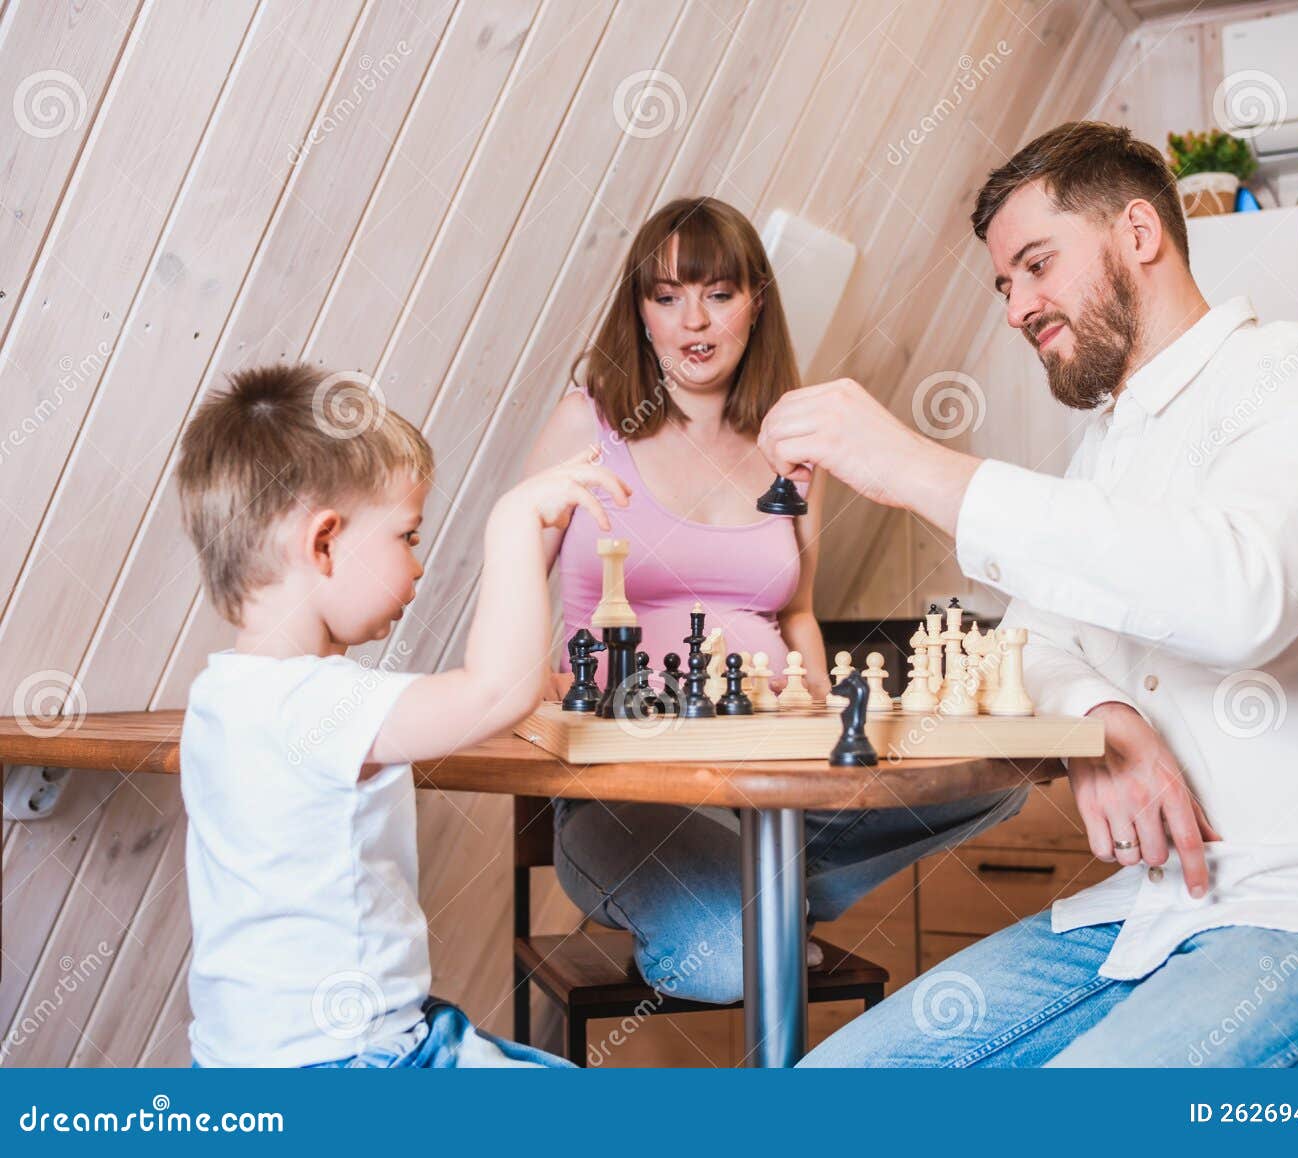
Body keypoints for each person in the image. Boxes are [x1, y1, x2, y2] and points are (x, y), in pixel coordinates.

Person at [768, 122, 1298, 1067]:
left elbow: (1242, 595)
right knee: (830, 1087)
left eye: (1037, 265)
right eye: (1004, 284)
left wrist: (915, 469)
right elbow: (1034, 644)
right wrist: (1105, 716)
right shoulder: (1108, 450)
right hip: (1166, 913)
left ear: (1139, 232)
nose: (1016, 307)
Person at [522, 197, 1028, 1003]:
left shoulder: (792, 449)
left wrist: (829, 719)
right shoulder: (587, 424)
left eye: (718, 294)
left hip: (771, 781)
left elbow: (795, 615)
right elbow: (511, 577)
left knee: (1001, 773)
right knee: (729, 964)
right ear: (640, 313)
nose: (694, 320)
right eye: (666, 296)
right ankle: (767, 913)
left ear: (756, 302)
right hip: (625, 793)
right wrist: (528, 685)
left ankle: (767, 897)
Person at [175, 362, 627, 1067]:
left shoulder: (223, 697)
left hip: (246, 1061)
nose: (417, 567)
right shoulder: (314, 704)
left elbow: (483, 693)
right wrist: (513, 522)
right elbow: (490, 693)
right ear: (323, 543)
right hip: (351, 1066)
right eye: (407, 536)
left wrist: (516, 682)